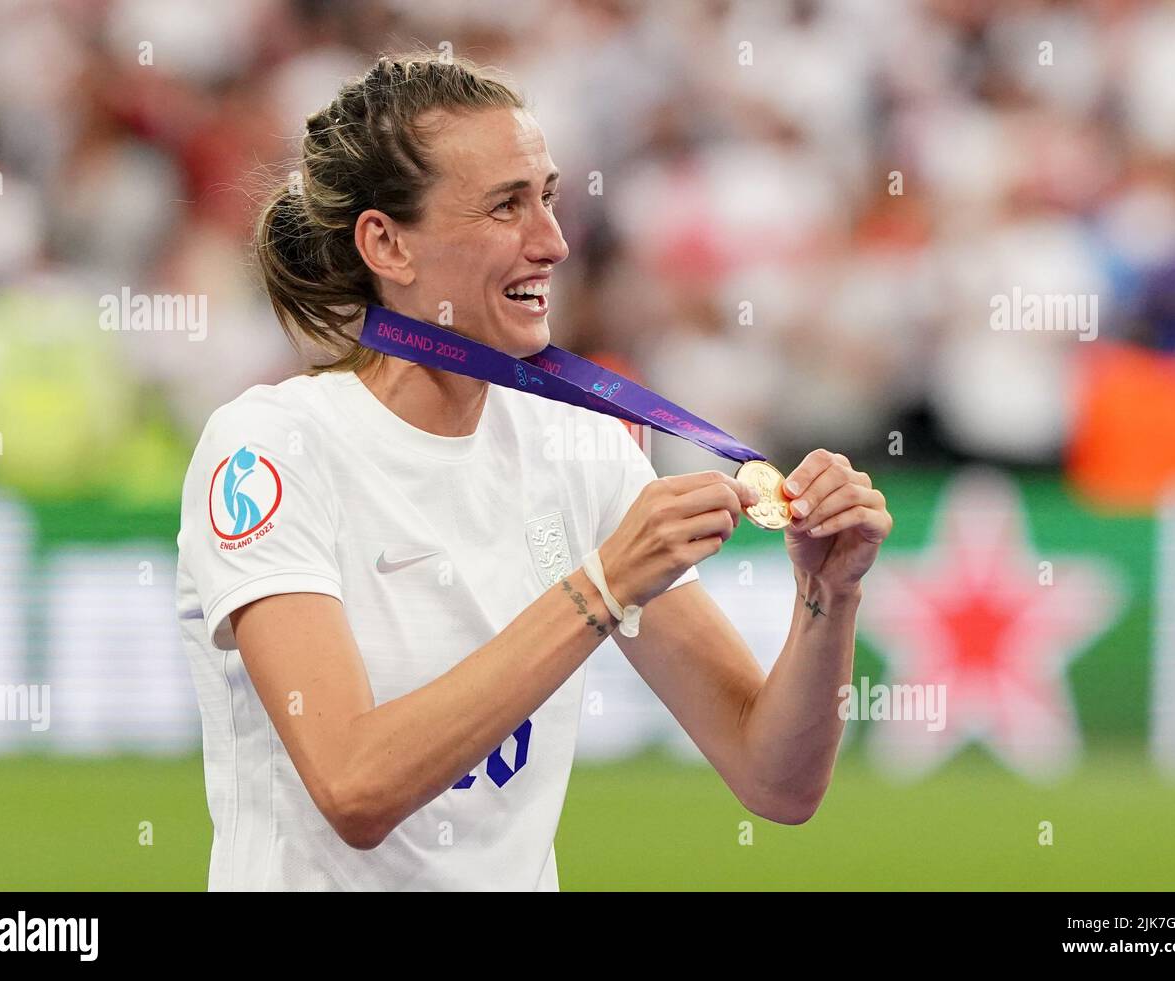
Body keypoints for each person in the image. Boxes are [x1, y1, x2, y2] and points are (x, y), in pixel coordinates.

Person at [175, 52, 892, 891]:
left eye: (546, 196)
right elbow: (354, 786)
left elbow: (776, 779)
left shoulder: (575, 445)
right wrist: (606, 582)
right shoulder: (270, 447)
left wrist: (828, 594)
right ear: (387, 243)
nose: (552, 241)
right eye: (505, 206)